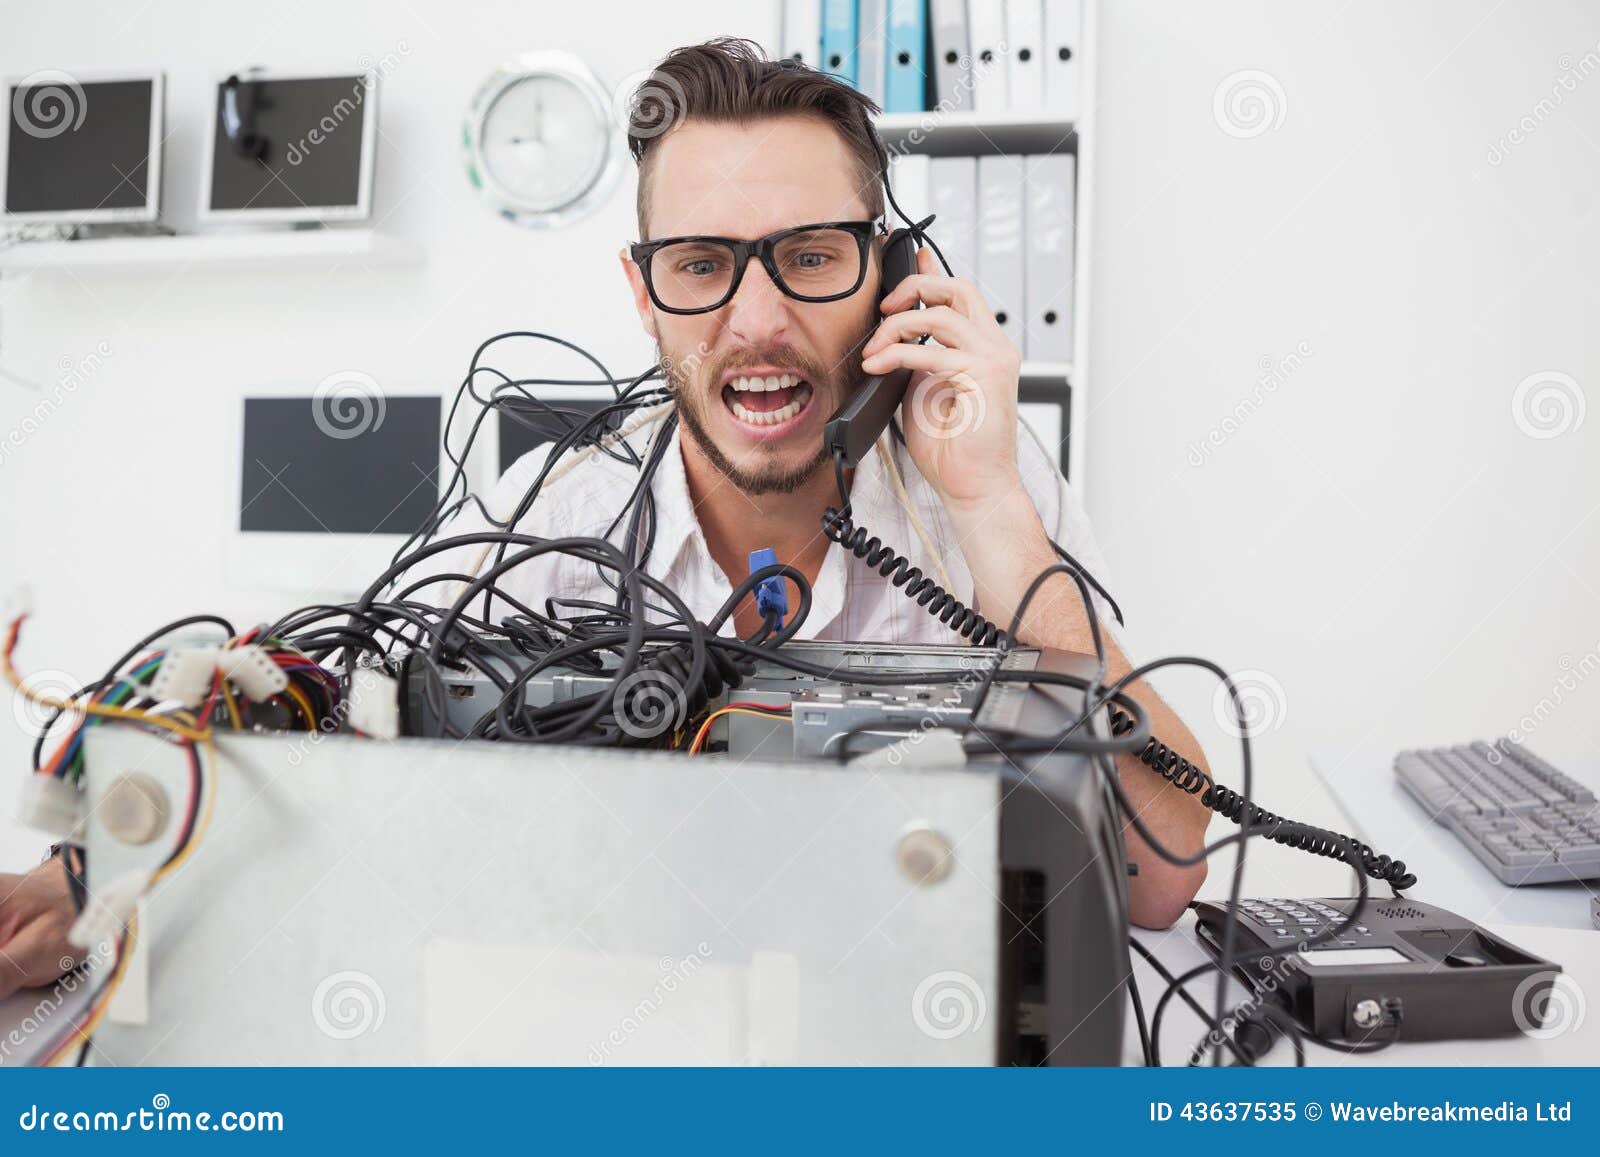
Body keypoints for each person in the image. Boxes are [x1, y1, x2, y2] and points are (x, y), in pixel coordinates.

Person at [0, 39, 1210, 1006]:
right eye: (700, 264)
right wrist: (84, 871)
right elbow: (339, 730)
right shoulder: (548, 517)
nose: (757, 320)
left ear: (891, 276)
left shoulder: (983, 482)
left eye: (808, 256)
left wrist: (993, 515)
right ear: (642, 291)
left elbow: (1162, 877)